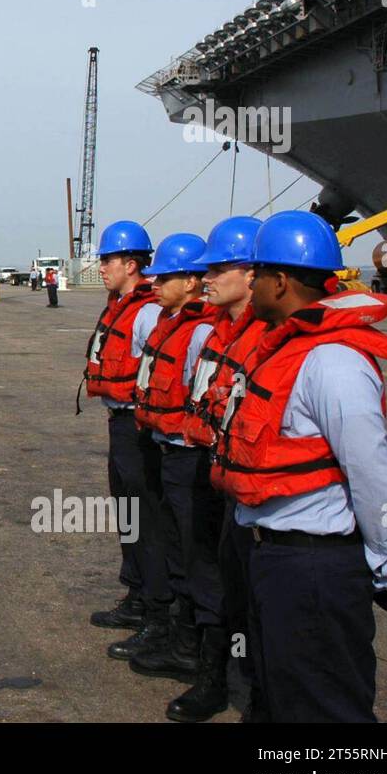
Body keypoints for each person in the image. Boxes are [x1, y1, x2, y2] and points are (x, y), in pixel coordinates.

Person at [214, 210, 387, 722]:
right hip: (272, 557)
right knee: (278, 698)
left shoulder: (333, 363)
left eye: (258, 274)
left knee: (326, 710)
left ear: (281, 281)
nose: (253, 284)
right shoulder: (285, 350)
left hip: (312, 565)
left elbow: (373, 476)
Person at [176, 215, 267, 722]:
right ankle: (213, 676)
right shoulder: (218, 333)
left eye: (218, 269)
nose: (205, 278)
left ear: (252, 273)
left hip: (253, 491)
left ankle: (251, 689)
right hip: (213, 470)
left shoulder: (270, 340)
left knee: (252, 594)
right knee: (213, 576)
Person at [126, 233, 221, 711]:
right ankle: (180, 640)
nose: (155, 283)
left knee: (194, 553)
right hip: (167, 446)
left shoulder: (202, 331)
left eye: (165, 277)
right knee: (175, 545)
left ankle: (195, 653)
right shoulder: (171, 321)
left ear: (190, 281)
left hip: (188, 454)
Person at [82, 221, 171, 646]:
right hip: (120, 425)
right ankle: (136, 593)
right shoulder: (120, 304)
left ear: (131, 264)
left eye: (107, 260)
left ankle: (158, 613)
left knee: (148, 520)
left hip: (139, 428)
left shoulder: (148, 312)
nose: (101, 268)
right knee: (130, 515)